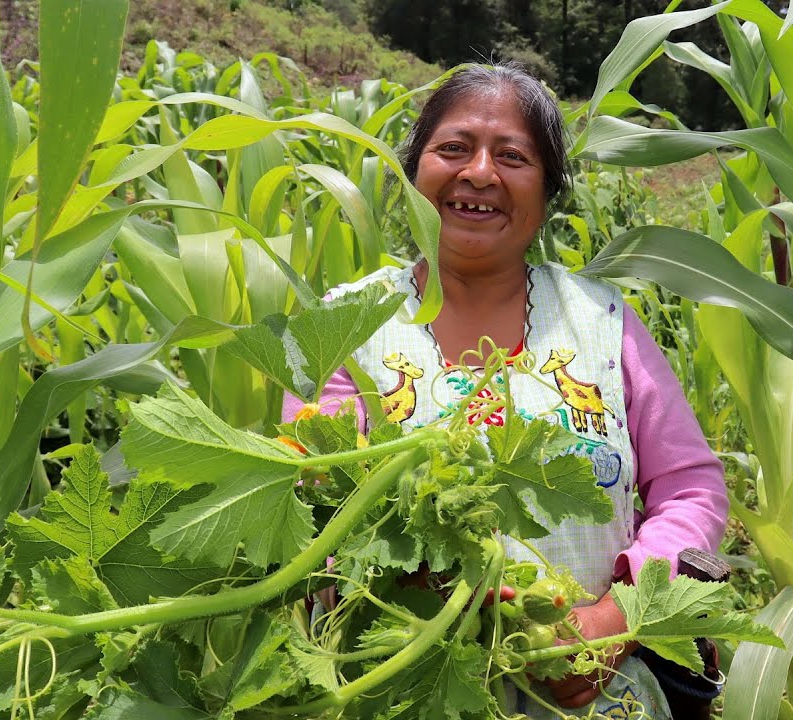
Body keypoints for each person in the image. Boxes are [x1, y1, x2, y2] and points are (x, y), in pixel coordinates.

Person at [282, 63, 728, 719]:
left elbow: (692, 488)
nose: (480, 174)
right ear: (414, 173)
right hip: (399, 685)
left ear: (548, 191)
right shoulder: (344, 326)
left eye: (513, 157)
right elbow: (321, 498)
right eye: (454, 149)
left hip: (601, 690)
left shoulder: (605, 324)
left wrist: (615, 618)